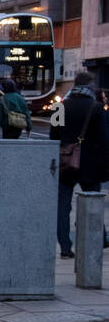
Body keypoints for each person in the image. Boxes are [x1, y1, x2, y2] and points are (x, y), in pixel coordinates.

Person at [51, 71, 109, 259]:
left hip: (65, 164)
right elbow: (104, 140)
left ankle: (65, 247)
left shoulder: (59, 107)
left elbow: (53, 137)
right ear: (90, 86)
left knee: (62, 207)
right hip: (90, 165)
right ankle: (99, 238)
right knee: (93, 203)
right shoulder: (97, 108)